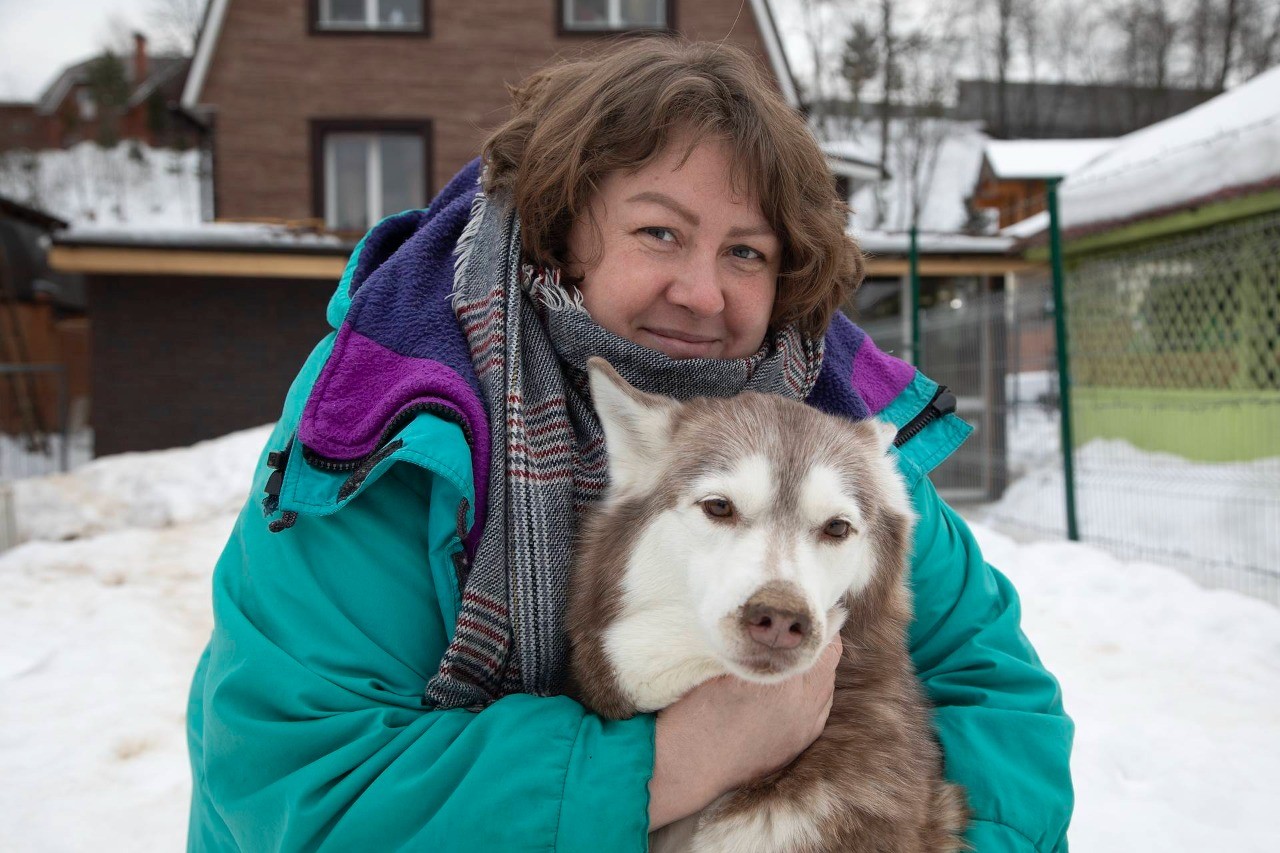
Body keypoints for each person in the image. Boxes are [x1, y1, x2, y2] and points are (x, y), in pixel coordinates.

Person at [186, 38, 1073, 852]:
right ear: (565, 230)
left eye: (746, 253)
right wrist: (670, 762)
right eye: (661, 233)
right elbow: (301, 784)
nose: (702, 293)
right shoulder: (396, 410)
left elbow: (991, 684)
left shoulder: (824, 419)